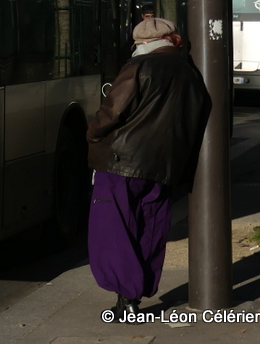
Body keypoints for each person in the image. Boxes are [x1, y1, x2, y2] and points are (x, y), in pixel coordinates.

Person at [87, 17, 212, 322]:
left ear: (141, 44)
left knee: (114, 230)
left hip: (121, 161)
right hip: (163, 166)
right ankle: (133, 297)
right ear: (173, 41)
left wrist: (92, 135)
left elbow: (112, 111)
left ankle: (125, 296)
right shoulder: (189, 71)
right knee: (150, 229)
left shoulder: (137, 67)